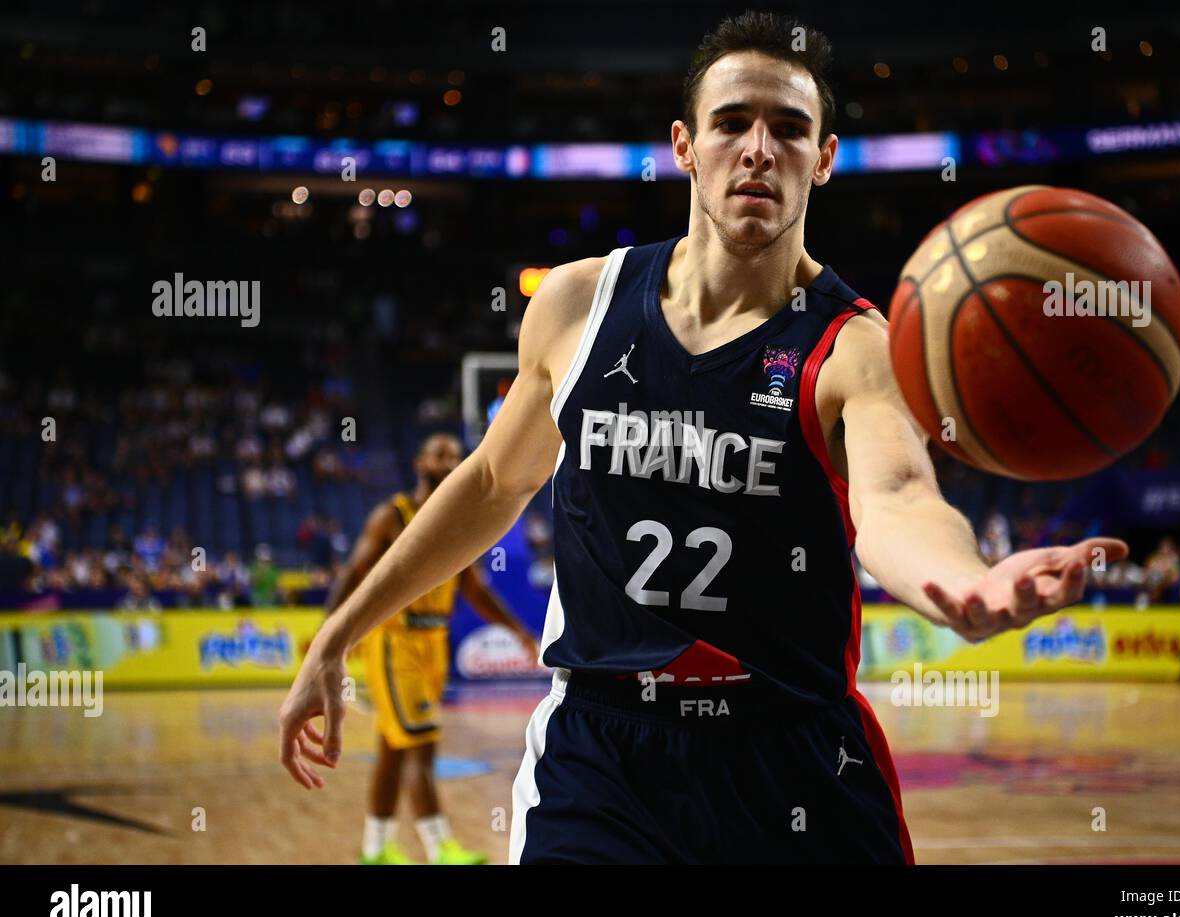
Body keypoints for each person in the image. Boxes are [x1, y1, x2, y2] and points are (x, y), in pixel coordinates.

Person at [280, 10, 1125, 864]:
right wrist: (339, 631)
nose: (759, 148)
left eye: (790, 128)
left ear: (824, 159)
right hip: (600, 756)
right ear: (685, 145)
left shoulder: (855, 347)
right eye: (732, 123)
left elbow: (899, 499)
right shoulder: (579, 306)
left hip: (794, 753)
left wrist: (964, 581)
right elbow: (496, 483)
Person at [322, 433, 537, 865]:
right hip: (394, 642)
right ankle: (441, 848)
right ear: (420, 463)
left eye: (456, 456)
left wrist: (518, 630)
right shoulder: (393, 516)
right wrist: (329, 639)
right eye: (440, 454)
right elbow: (353, 574)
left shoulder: (459, 522)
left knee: (393, 748)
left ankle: (376, 848)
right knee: (423, 743)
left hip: (432, 644)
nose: (449, 460)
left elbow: (475, 590)